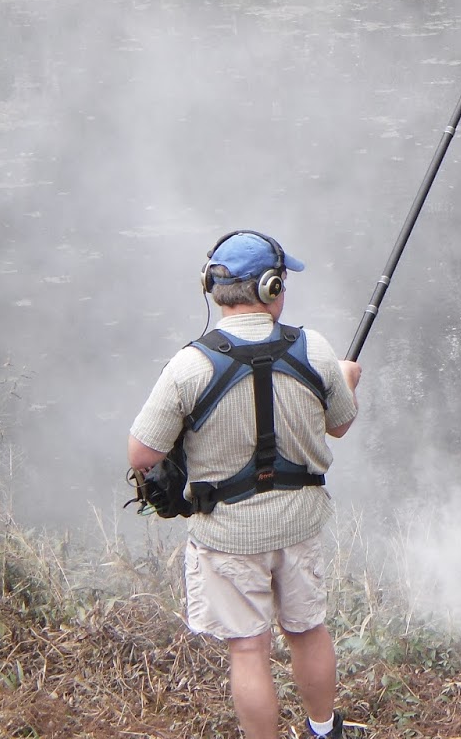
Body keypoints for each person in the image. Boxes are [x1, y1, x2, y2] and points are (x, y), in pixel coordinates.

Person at [129, 231, 361, 739]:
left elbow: (142, 454)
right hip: (299, 525)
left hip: (228, 535)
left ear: (211, 287)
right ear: (272, 286)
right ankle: (325, 730)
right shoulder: (315, 348)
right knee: (307, 631)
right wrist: (345, 378)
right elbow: (339, 424)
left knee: (249, 649)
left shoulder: (189, 365)